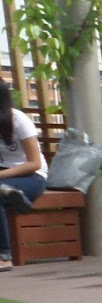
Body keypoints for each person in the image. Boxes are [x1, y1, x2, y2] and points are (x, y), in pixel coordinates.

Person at [0, 87, 50, 271]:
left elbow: (35, 163)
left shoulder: (19, 120)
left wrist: (2, 175)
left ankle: (4, 257)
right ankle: (7, 192)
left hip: (32, 177)